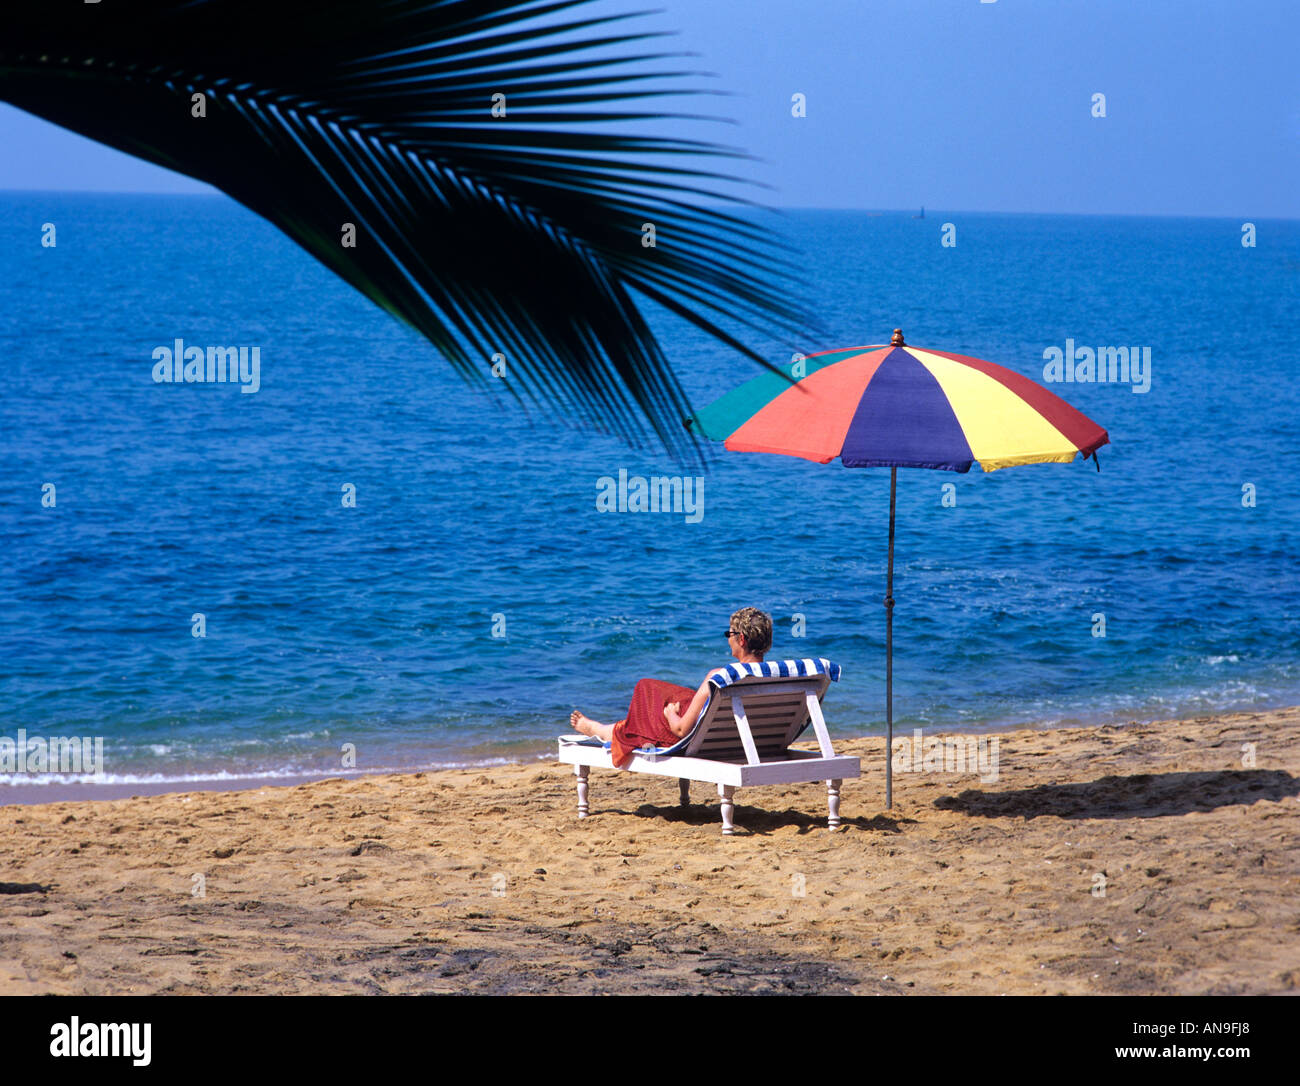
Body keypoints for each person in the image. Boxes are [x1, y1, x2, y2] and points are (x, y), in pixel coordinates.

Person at [569, 607, 772, 769]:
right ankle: (603, 728)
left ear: (742, 639)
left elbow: (681, 730)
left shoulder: (720, 677)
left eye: (730, 633)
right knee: (673, 697)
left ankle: (600, 730)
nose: (728, 638)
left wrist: (670, 714)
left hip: (708, 741)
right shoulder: (774, 678)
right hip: (747, 740)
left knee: (646, 690)